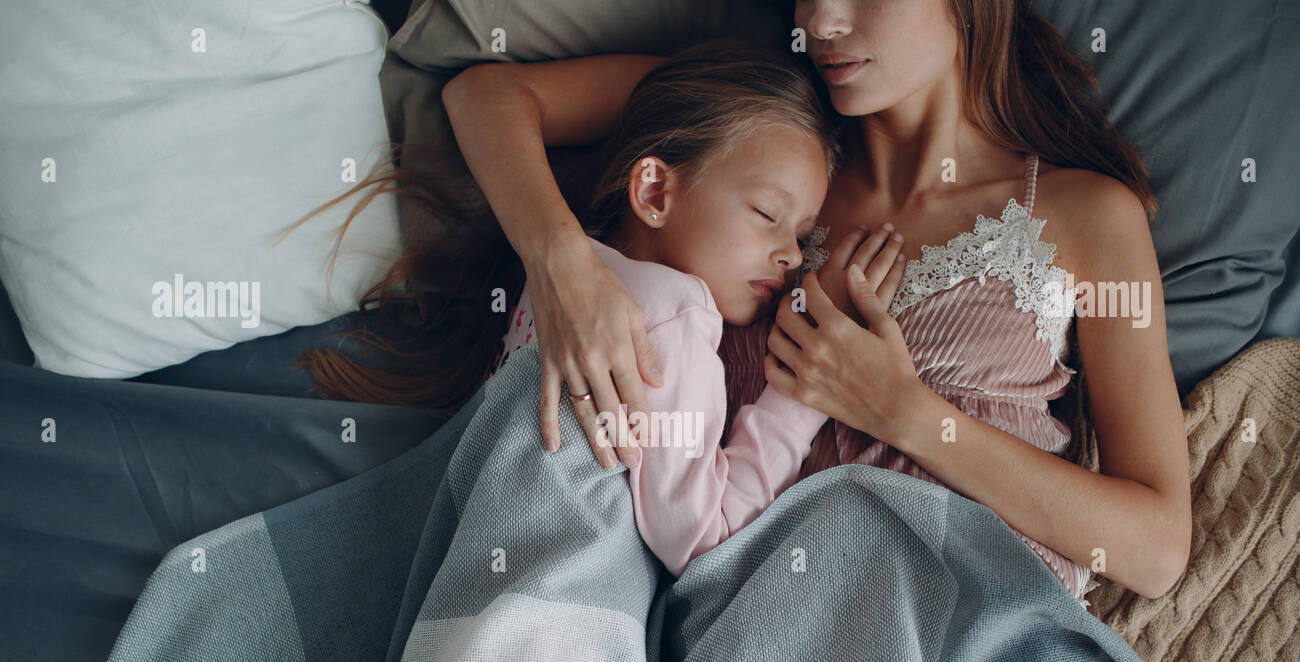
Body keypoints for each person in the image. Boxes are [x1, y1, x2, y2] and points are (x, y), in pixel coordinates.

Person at [439, 0, 1192, 607]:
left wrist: (907, 415)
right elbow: (486, 97)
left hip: (974, 653)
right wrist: (564, 266)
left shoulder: (1087, 217)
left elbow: (1155, 551)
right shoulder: (759, 141)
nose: (820, 20)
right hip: (745, 656)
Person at [488, 42, 914, 575]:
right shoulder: (676, 314)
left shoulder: (549, 280)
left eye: (803, 235)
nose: (793, 255)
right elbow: (702, 540)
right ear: (655, 192)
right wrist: (801, 392)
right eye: (766, 212)